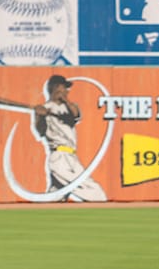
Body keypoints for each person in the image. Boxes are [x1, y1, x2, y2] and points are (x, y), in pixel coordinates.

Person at [32, 74, 106, 202]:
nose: (67, 91)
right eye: (64, 87)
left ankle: (38, 217)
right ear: (56, 88)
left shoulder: (69, 106)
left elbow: (75, 115)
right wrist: (40, 117)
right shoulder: (45, 108)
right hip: (59, 156)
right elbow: (40, 132)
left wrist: (66, 100)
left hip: (71, 156)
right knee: (96, 194)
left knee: (54, 197)